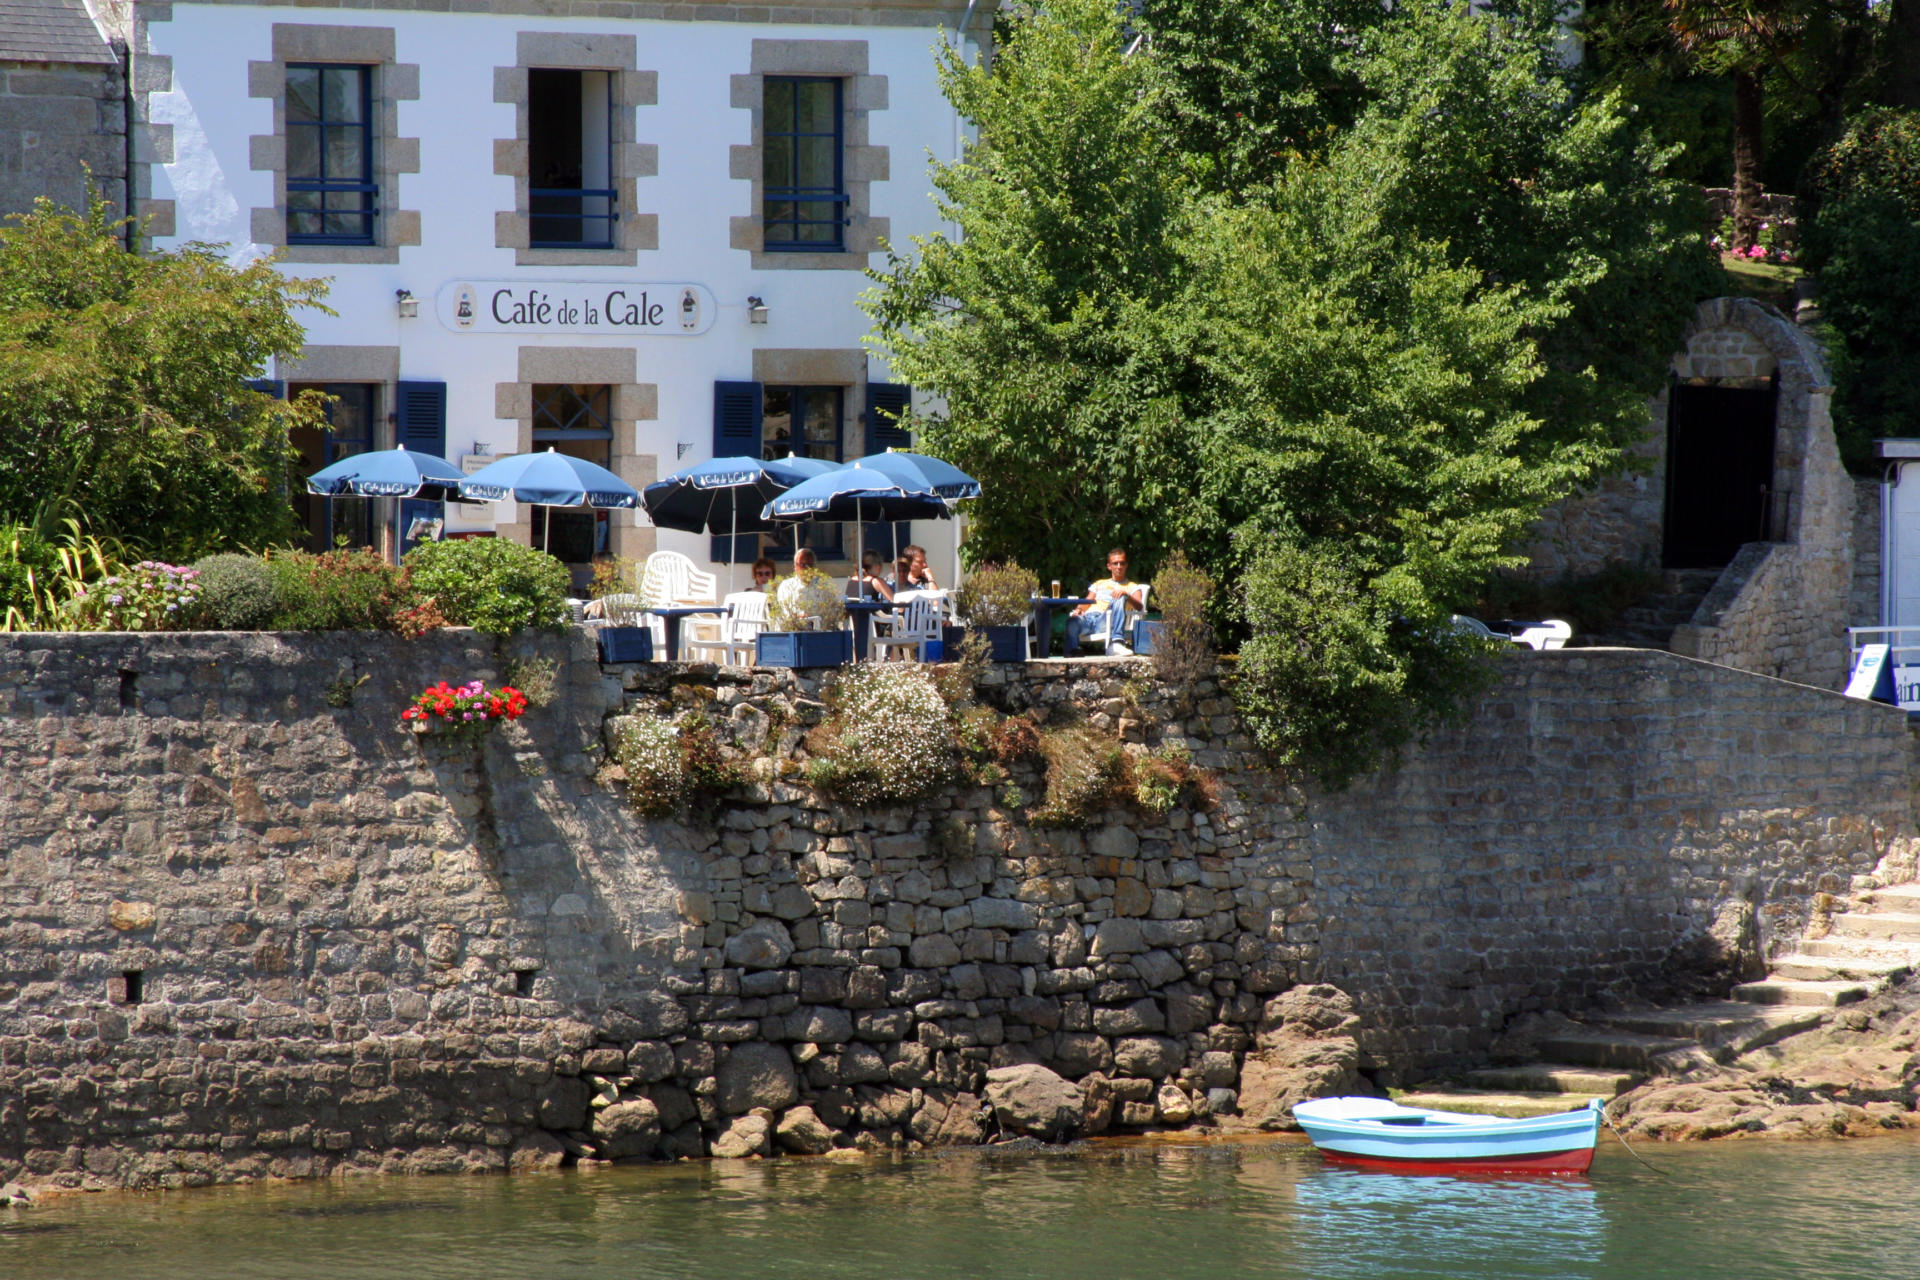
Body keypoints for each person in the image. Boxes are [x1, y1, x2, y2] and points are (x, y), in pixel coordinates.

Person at [1066, 548, 1146, 656]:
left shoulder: (1132, 586)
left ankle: (1116, 643)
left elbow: (1140, 607)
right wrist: (1078, 609)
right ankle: (1072, 653)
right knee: (1072, 621)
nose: (1119, 566)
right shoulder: (1099, 583)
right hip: (1088, 619)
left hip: (1106, 620)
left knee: (1119, 597)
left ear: (1126, 565)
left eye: (1122, 563)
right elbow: (1088, 601)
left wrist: (1126, 595)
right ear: (1109, 566)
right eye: (1115, 563)